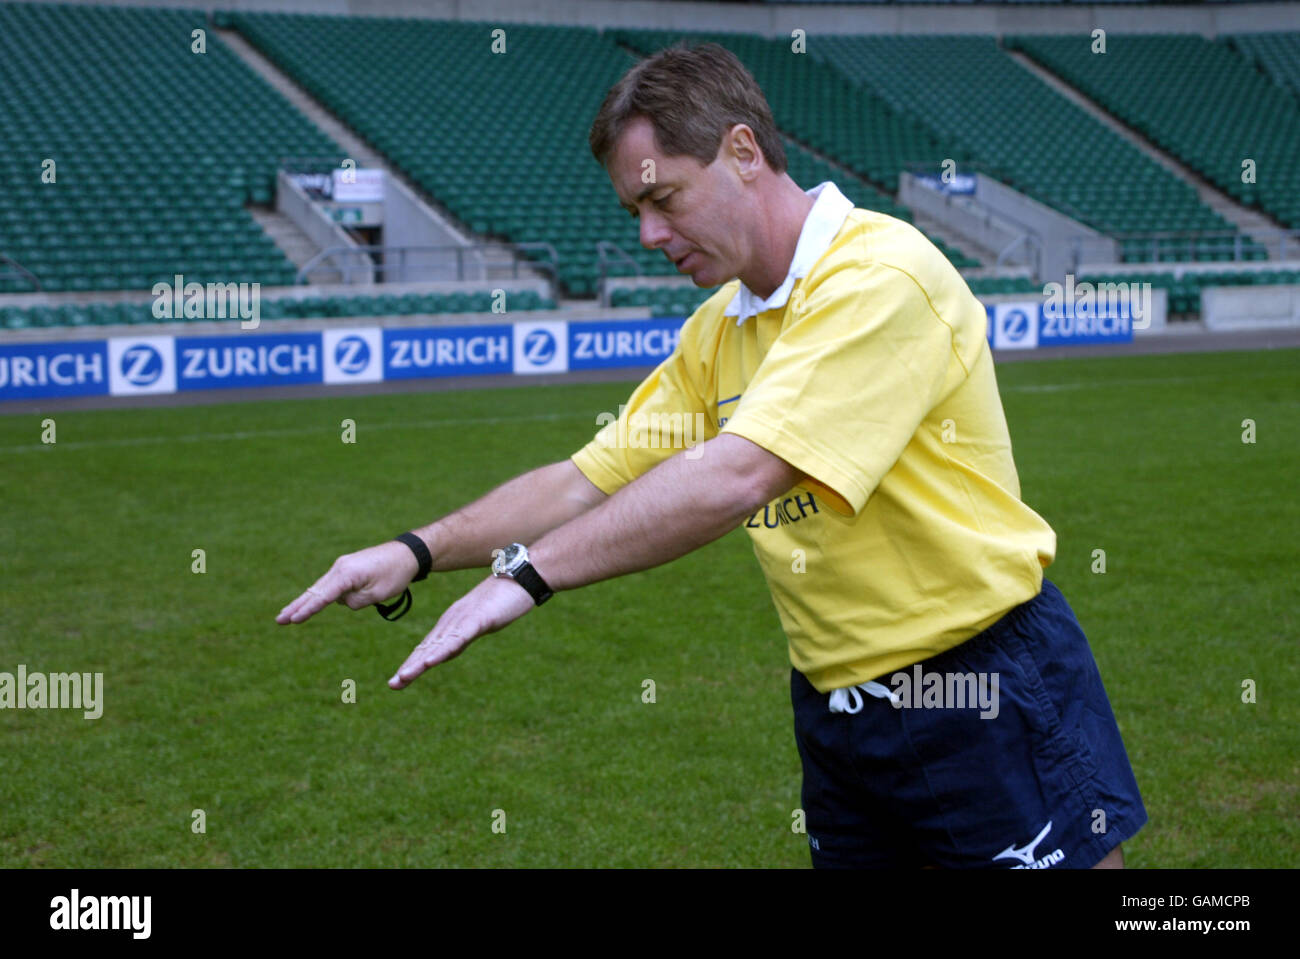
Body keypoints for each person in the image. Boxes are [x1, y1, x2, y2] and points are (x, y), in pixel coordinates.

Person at [276, 42, 1147, 869]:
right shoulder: (718, 330)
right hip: (839, 706)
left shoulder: (879, 276)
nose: (649, 234)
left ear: (742, 152)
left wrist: (527, 576)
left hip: (978, 681)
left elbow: (737, 476)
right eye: (634, 212)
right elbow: (587, 480)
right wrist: (415, 550)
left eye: (664, 199)